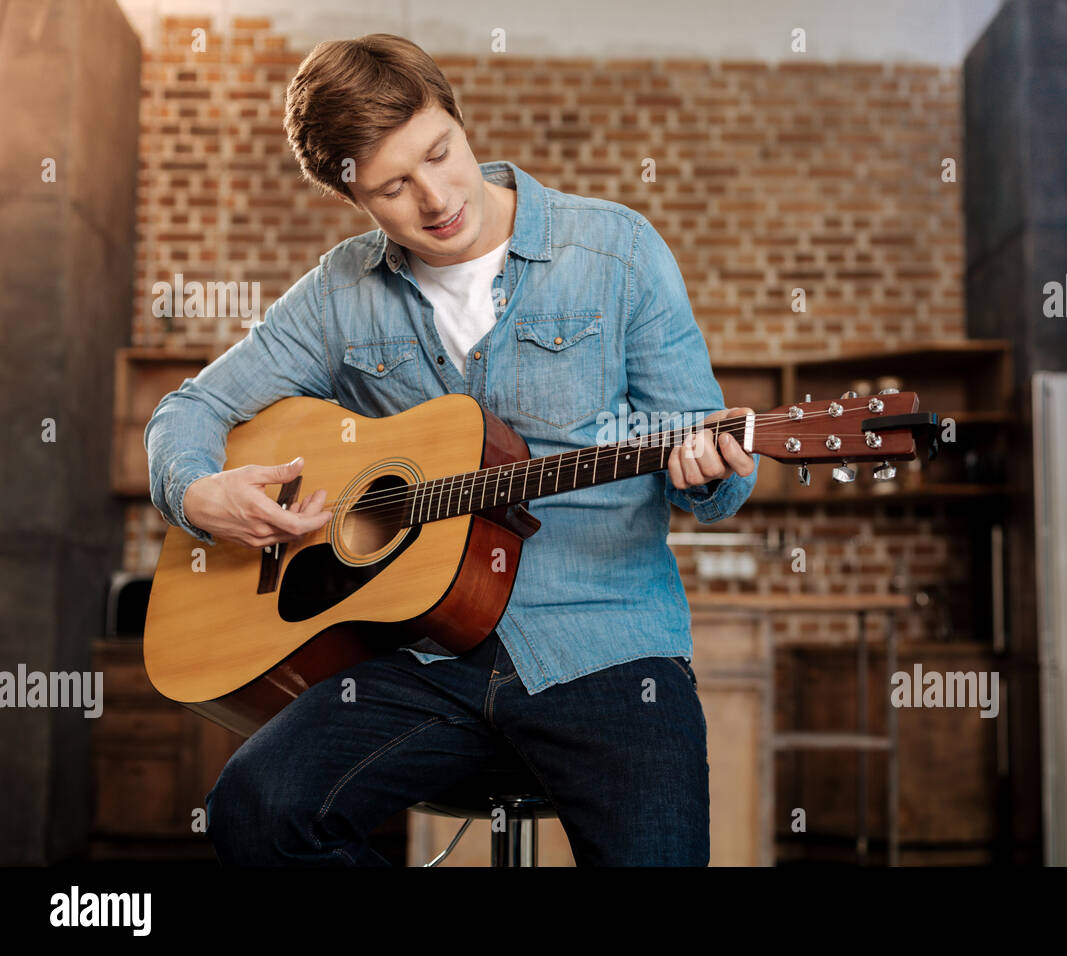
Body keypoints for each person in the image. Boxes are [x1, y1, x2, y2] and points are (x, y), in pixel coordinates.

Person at [144, 33, 758, 866]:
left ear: (459, 119)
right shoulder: (341, 292)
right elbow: (191, 408)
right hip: (424, 658)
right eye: (393, 186)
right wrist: (196, 494)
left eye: (440, 152)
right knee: (256, 809)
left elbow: (711, 481)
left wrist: (717, 471)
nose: (435, 198)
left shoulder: (617, 254)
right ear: (349, 193)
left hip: (607, 647)